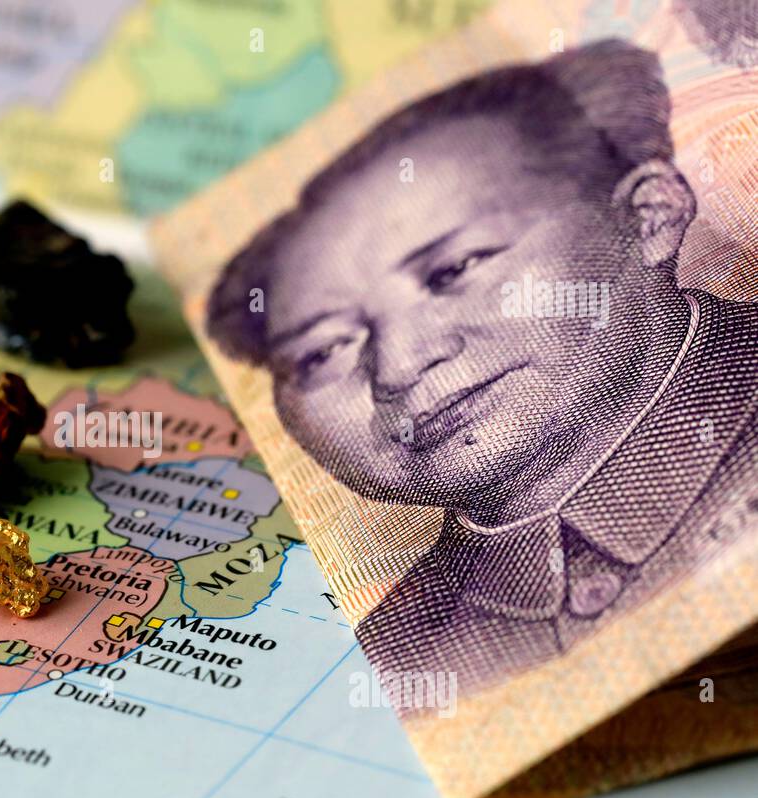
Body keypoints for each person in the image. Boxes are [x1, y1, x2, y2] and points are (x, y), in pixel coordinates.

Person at [205, 39, 758, 693]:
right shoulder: (395, 665)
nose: (402, 367)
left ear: (650, 216)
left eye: (455, 270)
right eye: (323, 351)